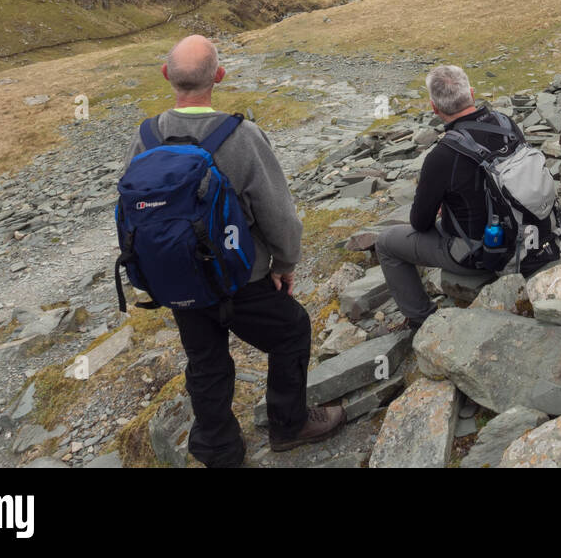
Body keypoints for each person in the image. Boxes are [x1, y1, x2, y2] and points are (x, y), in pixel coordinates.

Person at [121, 34, 343, 467]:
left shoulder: (145, 137)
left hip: (177, 278)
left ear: (167, 76)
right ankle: (289, 424)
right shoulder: (241, 134)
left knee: (205, 359)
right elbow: (278, 213)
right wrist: (286, 262)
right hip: (241, 275)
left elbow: (131, 212)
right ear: (219, 77)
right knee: (292, 330)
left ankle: (217, 448)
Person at [376, 64, 529, 329]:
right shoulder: (506, 123)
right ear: (471, 92)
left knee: (386, 243)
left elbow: (419, 223)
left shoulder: (442, 155)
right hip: (527, 233)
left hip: (480, 254)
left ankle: (422, 319)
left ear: (435, 108)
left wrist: (443, 205)